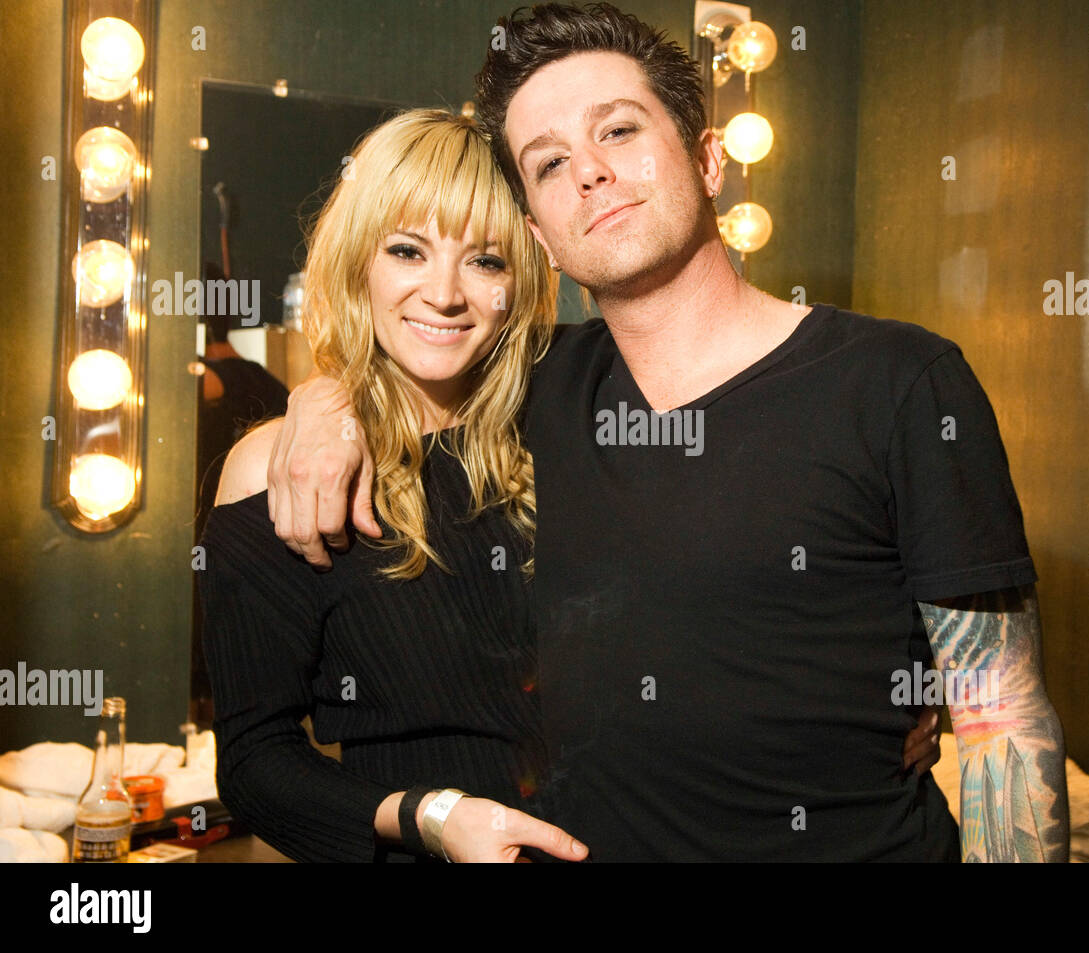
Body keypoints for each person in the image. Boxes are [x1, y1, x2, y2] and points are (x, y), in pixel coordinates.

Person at [270, 5, 1018, 862]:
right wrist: (324, 401)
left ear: (707, 160)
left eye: (619, 130)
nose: (589, 171)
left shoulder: (899, 382)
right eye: (550, 162)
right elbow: (413, 352)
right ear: (541, 236)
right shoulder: (534, 389)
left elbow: (1007, 720)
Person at [198, 108, 590, 862]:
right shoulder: (282, 468)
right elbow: (254, 763)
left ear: (524, 276)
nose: (444, 293)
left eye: (485, 261)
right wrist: (433, 816)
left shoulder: (572, 420)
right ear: (359, 264)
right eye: (408, 250)